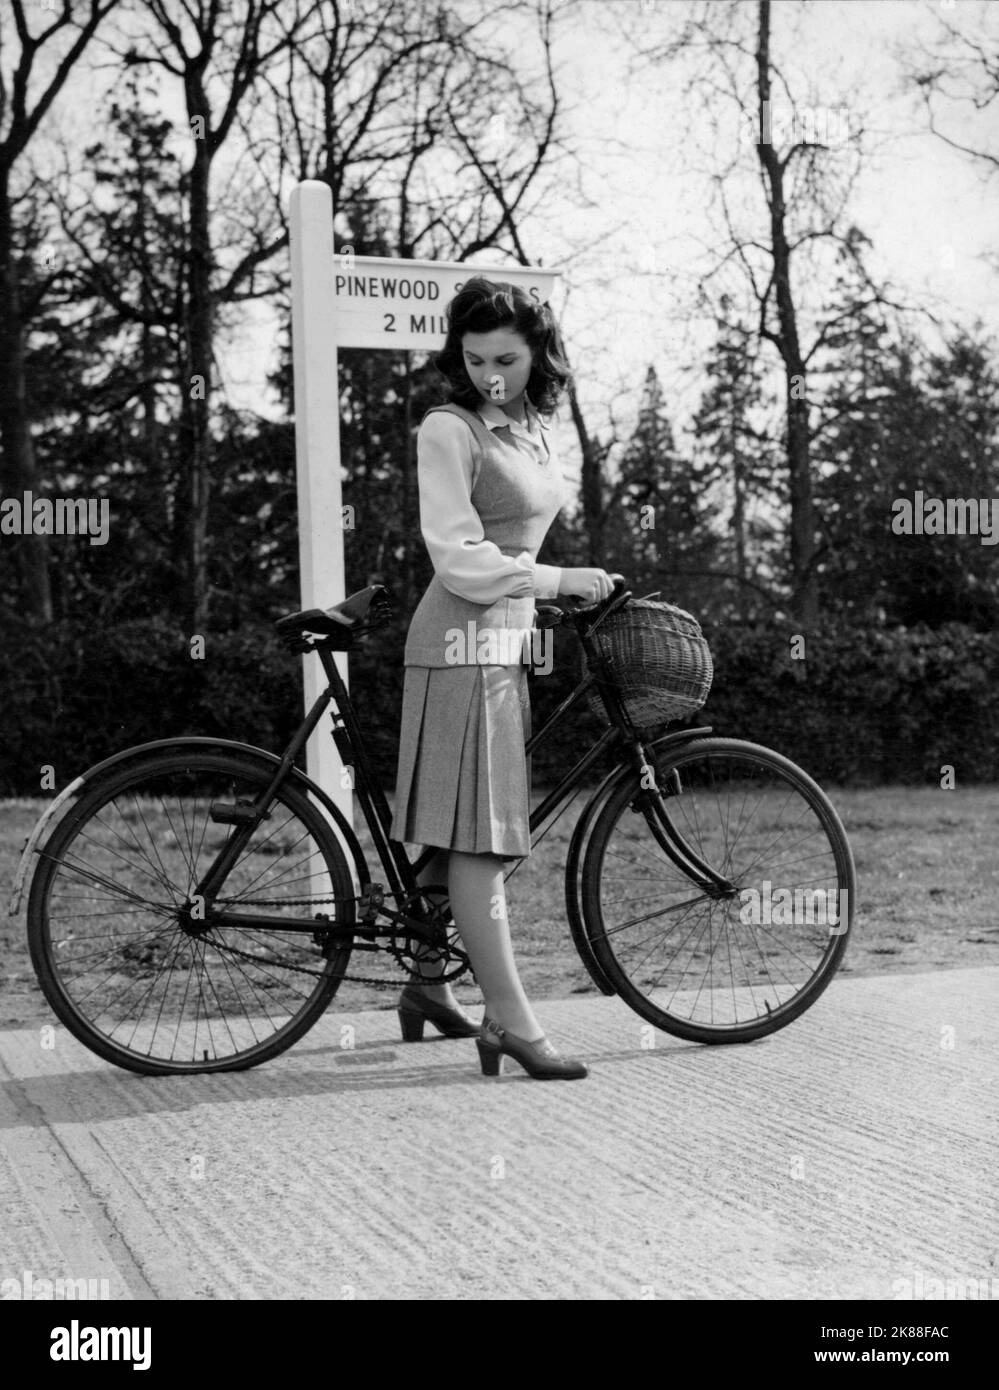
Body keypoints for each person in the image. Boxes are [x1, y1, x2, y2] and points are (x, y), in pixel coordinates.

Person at [390, 275, 615, 1079]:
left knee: (460, 836)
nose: (491, 373)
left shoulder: (535, 431)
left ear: (538, 356)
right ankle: (513, 1023)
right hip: (458, 642)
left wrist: (546, 598)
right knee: (481, 843)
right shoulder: (447, 429)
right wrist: (556, 580)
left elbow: (516, 530)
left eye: (508, 359)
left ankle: (425, 985)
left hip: (505, 640)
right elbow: (455, 552)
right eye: (475, 357)